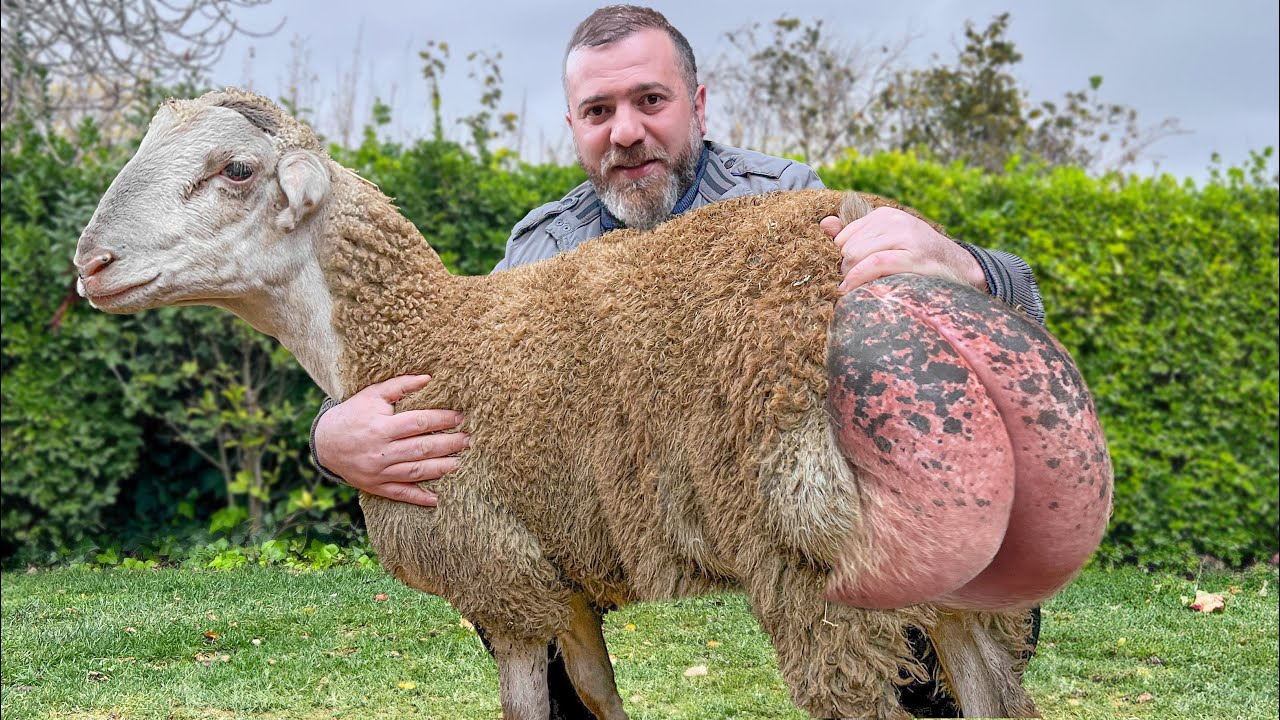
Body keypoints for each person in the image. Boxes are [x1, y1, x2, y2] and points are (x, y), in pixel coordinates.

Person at [311, 6, 1044, 717]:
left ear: (696, 103)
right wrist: (330, 438)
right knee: (489, 543)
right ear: (574, 128)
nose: (626, 133)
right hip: (628, 513)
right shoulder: (541, 249)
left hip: (763, 494)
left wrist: (968, 267)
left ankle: (934, 696)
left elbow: (993, 329)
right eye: (598, 111)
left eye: (650, 100)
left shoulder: (787, 203)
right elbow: (466, 390)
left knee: (867, 534)